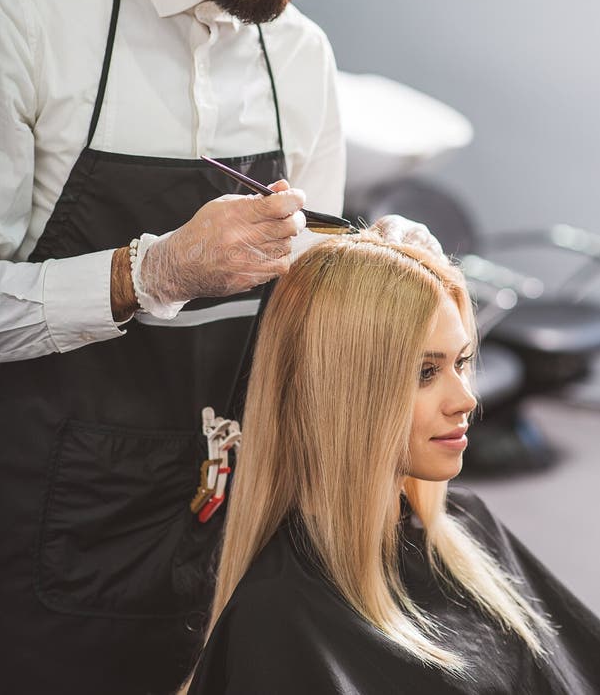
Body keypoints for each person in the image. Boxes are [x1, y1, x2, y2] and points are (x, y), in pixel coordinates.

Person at [0, 0, 434, 694]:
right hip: (41, 522)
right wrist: (148, 273)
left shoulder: (301, 58)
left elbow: (300, 314)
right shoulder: (28, 20)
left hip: (231, 523)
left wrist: (374, 275)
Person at [188, 229, 600, 694]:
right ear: (343, 391)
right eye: (426, 372)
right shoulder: (277, 618)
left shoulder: (465, 526)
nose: (466, 400)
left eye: (461, 363)